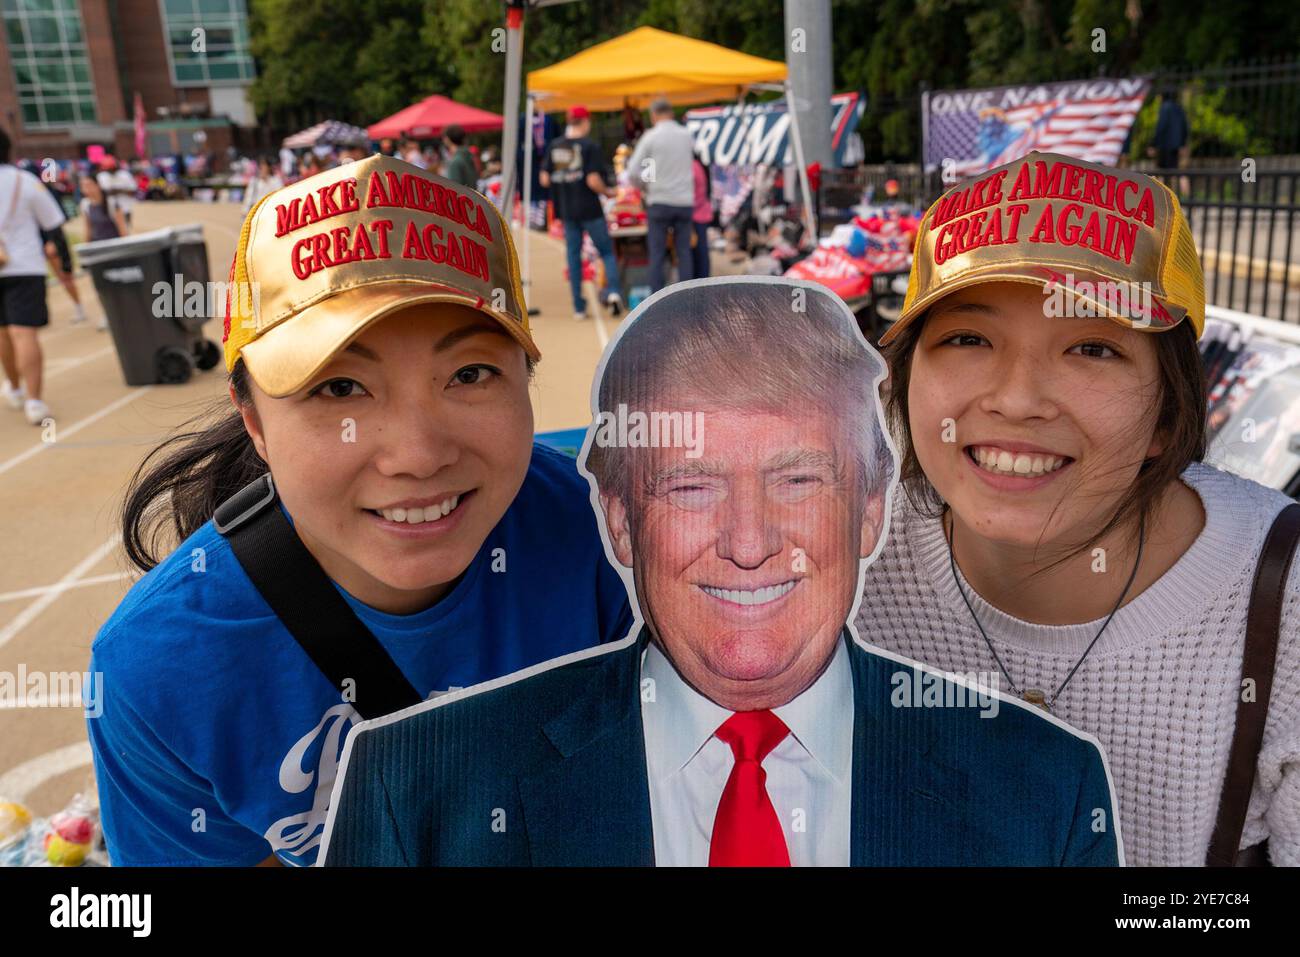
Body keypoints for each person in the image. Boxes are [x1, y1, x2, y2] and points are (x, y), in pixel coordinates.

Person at [321, 277, 1121, 867]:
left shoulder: (1047, 790)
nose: (748, 541)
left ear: (871, 508)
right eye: (691, 485)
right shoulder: (413, 791)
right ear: (621, 519)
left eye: (800, 479)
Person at [85, 156, 634, 867]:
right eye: (340, 387)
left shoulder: (613, 537)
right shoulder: (159, 671)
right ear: (252, 419)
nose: (417, 454)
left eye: (469, 374)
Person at [855, 150, 1300, 866]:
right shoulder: (834, 563)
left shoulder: (1282, 602)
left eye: (1092, 347)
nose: (1018, 398)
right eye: (968, 338)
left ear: (1168, 410)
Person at [0, 128, 67, 425]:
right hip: (25, 265)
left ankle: (14, 388)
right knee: (23, 333)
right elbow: (53, 221)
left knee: (2, 334)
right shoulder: (24, 181)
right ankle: (35, 402)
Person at [539, 105, 623, 320]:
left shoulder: (555, 145)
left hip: (567, 209)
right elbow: (593, 180)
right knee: (606, 251)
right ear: (585, 122)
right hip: (590, 208)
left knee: (573, 257)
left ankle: (578, 306)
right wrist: (609, 192)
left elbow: (544, 179)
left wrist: (563, 183)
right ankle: (613, 292)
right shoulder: (590, 146)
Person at [627, 98, 696, 292]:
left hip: (659, 200)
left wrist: (644, 187)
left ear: (653, 115)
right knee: (684, 252)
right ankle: (687, 296)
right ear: (671, 113)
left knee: (657, 254)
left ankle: (654, 300)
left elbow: (633, 170)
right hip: (684, 201)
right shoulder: (686, 135)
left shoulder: (651, 137)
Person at [79, 174, 126, 242]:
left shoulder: (111, 203)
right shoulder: (85, 204)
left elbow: (122, 230)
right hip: (97, 246)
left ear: (98, 185)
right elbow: (88, 229)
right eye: (83, 186)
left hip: (115, 245)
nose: (86, 189)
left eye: (89, 185)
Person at [1151, 86, 1188, 170]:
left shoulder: (1164, 107)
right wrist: (1183, 143)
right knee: (1174, 170)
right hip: (1176, 145)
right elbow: (1184, 127)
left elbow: (1161, 127)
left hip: (1164, 145)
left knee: (1162, 171)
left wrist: (1154, 143)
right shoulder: (1179, 108)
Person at [97, 155, 137, 232]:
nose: (111, 171)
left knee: (126, 228)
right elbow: (99, 193)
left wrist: (119, 190)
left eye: (112, 168)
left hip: (125, 206)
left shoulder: (125, 175)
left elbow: (133, 190)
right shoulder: (101, 177)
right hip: (109, 208)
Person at [690, 149, 712, 280]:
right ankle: (703, 279)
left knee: (699, 252)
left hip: (697, 215)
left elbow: (695, 196)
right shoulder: (698, 165)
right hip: (701, 213)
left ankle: (701, 280)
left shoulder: (692, 167)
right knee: (702, 251)